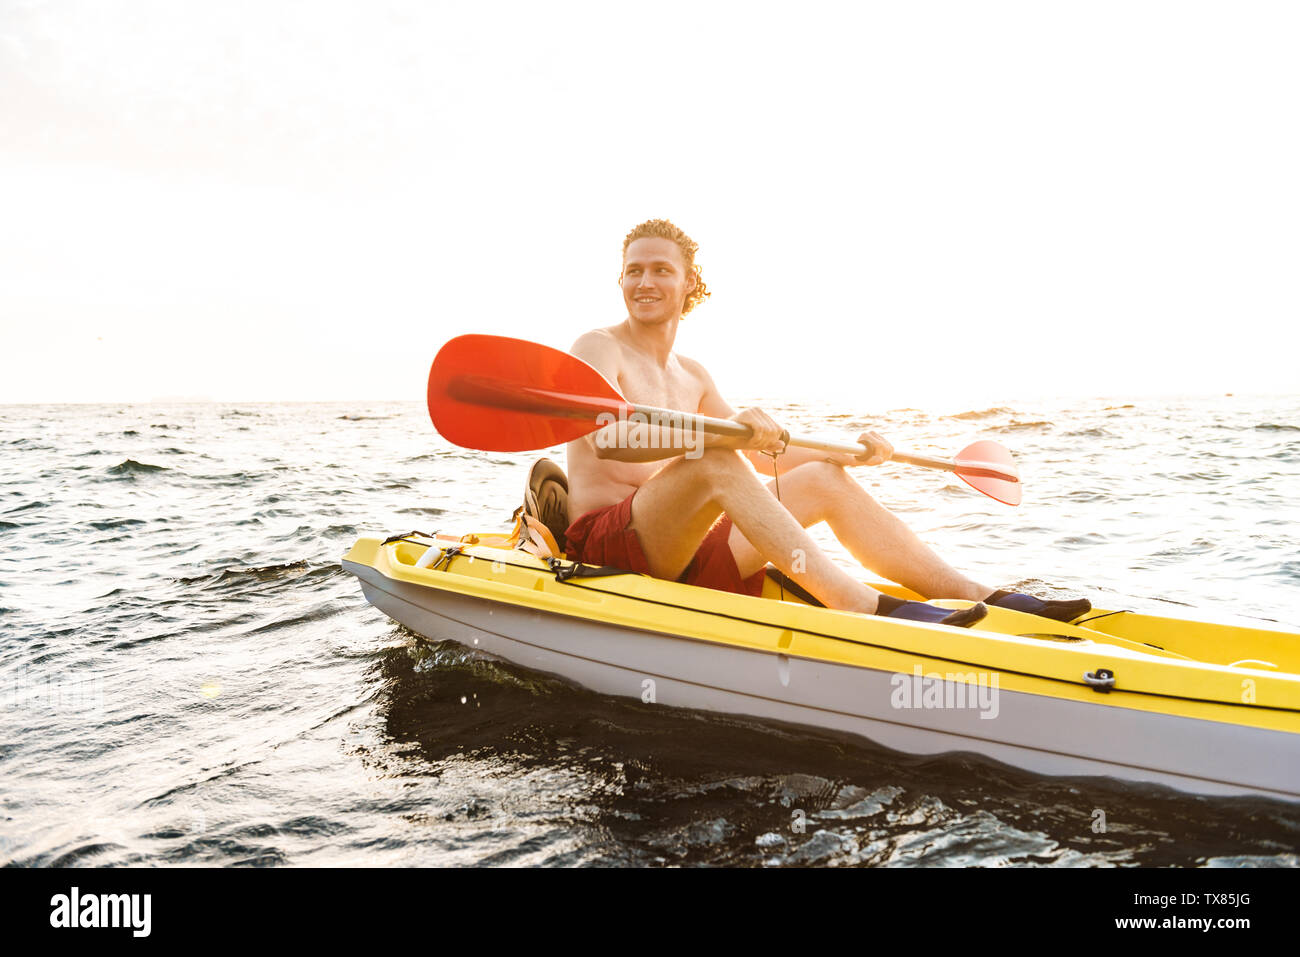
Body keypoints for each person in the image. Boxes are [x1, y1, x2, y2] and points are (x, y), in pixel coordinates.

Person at [563, 219, 1089, 628]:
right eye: (633, 270)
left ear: (689, 282)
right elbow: (608, 439)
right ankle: (857, 605)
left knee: (821, 478)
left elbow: (761, 454)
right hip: (606, 548)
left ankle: (976, 594)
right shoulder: (598, 347)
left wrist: (848, 452)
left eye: (660, 270)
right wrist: (717, 436)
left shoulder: (693, 375)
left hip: (681, 550)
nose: (644, 281)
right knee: (715, 456)